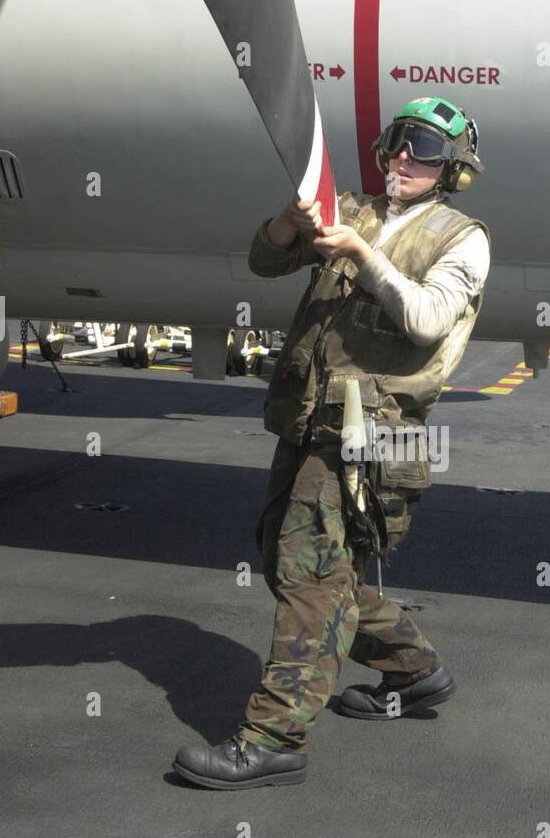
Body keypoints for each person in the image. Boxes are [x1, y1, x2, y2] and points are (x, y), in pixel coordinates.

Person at [173, 96, 491, 789]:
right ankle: (415, 670)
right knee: (289, 557)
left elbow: (428, 318)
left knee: (308, 576)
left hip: (371, 435)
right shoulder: (352, 208)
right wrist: (288, 225)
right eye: (401, 142)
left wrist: (362, 253)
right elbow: (265, 264)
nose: (406, 157)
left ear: (453, 170)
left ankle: (272, 737)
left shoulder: (461, 236)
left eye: (427, 149)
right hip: (310, 418)